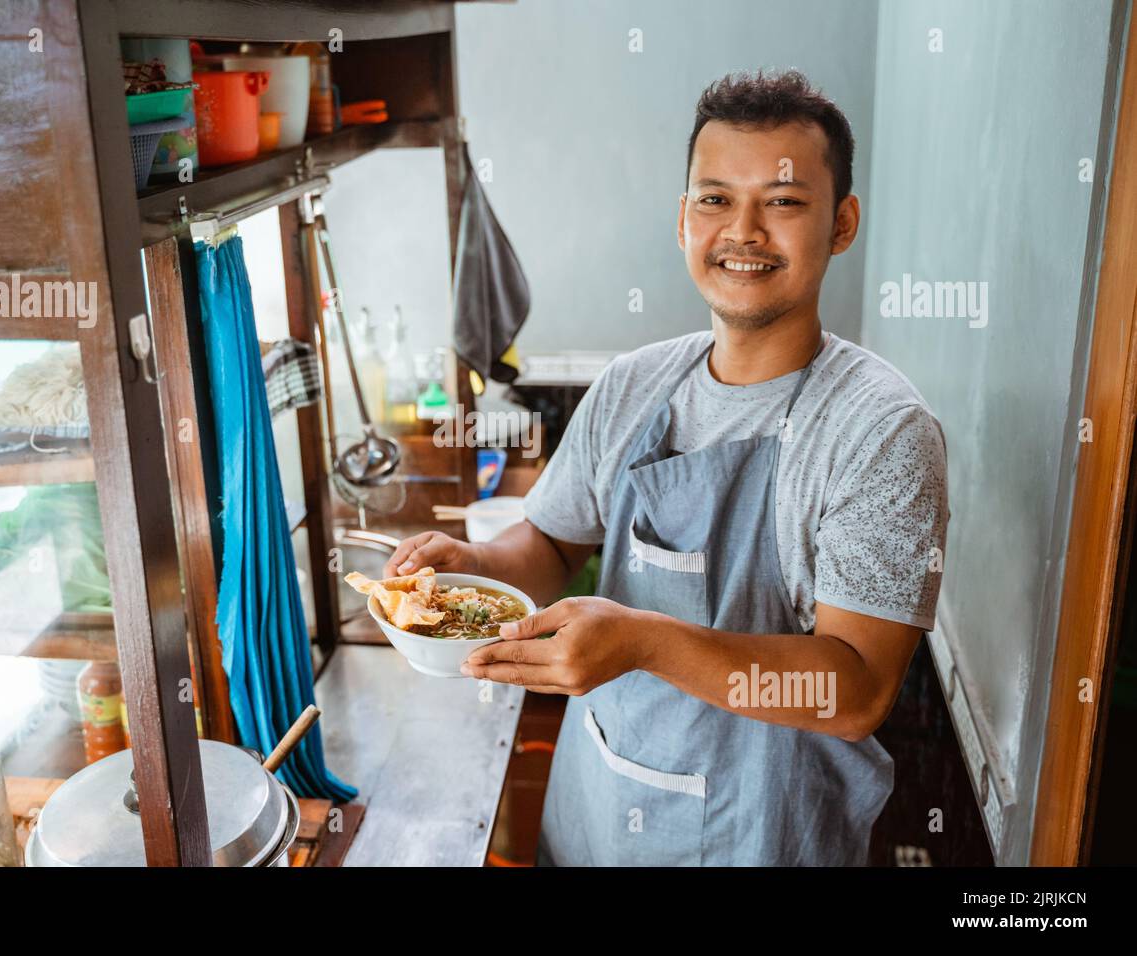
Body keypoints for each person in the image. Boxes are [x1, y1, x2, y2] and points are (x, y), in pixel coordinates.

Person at [383, 69, 949, 866]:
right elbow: (548, 547)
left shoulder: (881, 431)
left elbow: (851, 692)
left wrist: (644, 643)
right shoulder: (632, 386)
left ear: (843, 222)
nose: (743, 232)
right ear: (684, 220)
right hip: (601, 811)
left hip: (767, 835)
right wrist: (472, 569)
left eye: (783, 202)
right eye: (716, 199)